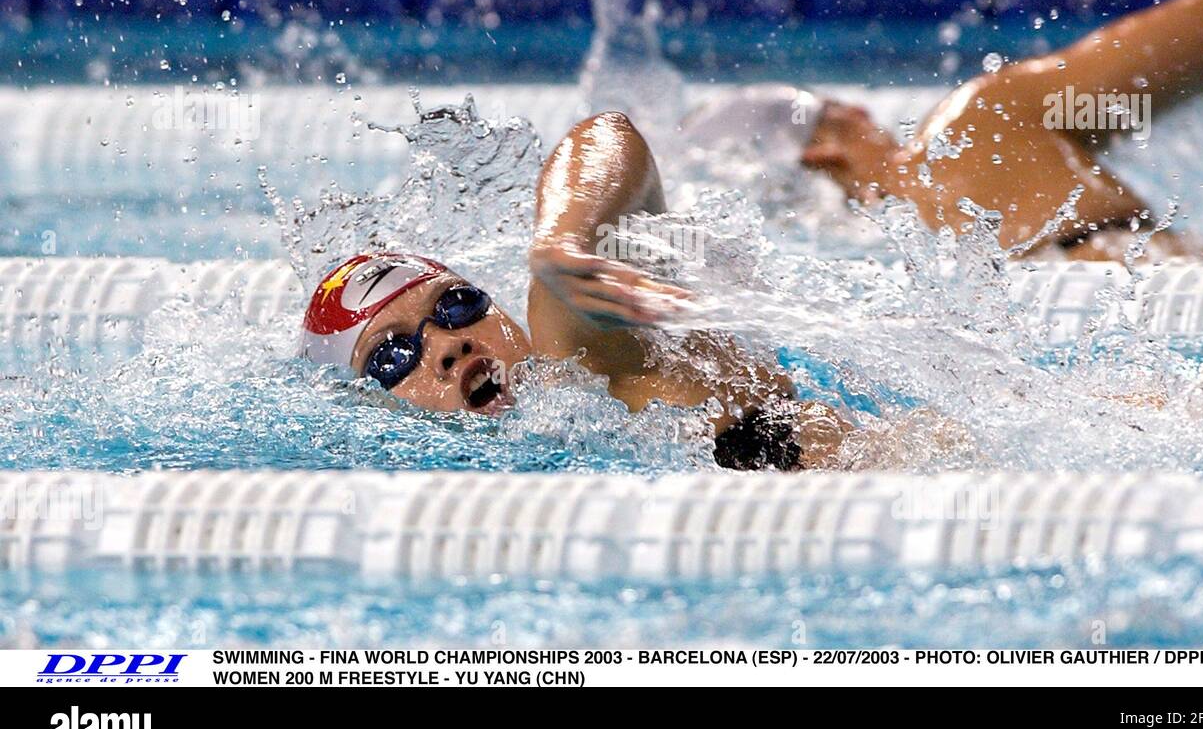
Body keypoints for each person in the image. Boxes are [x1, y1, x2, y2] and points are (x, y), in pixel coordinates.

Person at [300, 110, 849, 470]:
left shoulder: (574, 362)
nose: (448, 345)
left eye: (454, 304)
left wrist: (563, 242)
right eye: (394, 356)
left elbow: (608, 135)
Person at [692, 0, 1203, 261]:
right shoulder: (976, 123)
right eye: (841, 110)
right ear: (824, 146)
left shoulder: (854, 265)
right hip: (1184, 299)